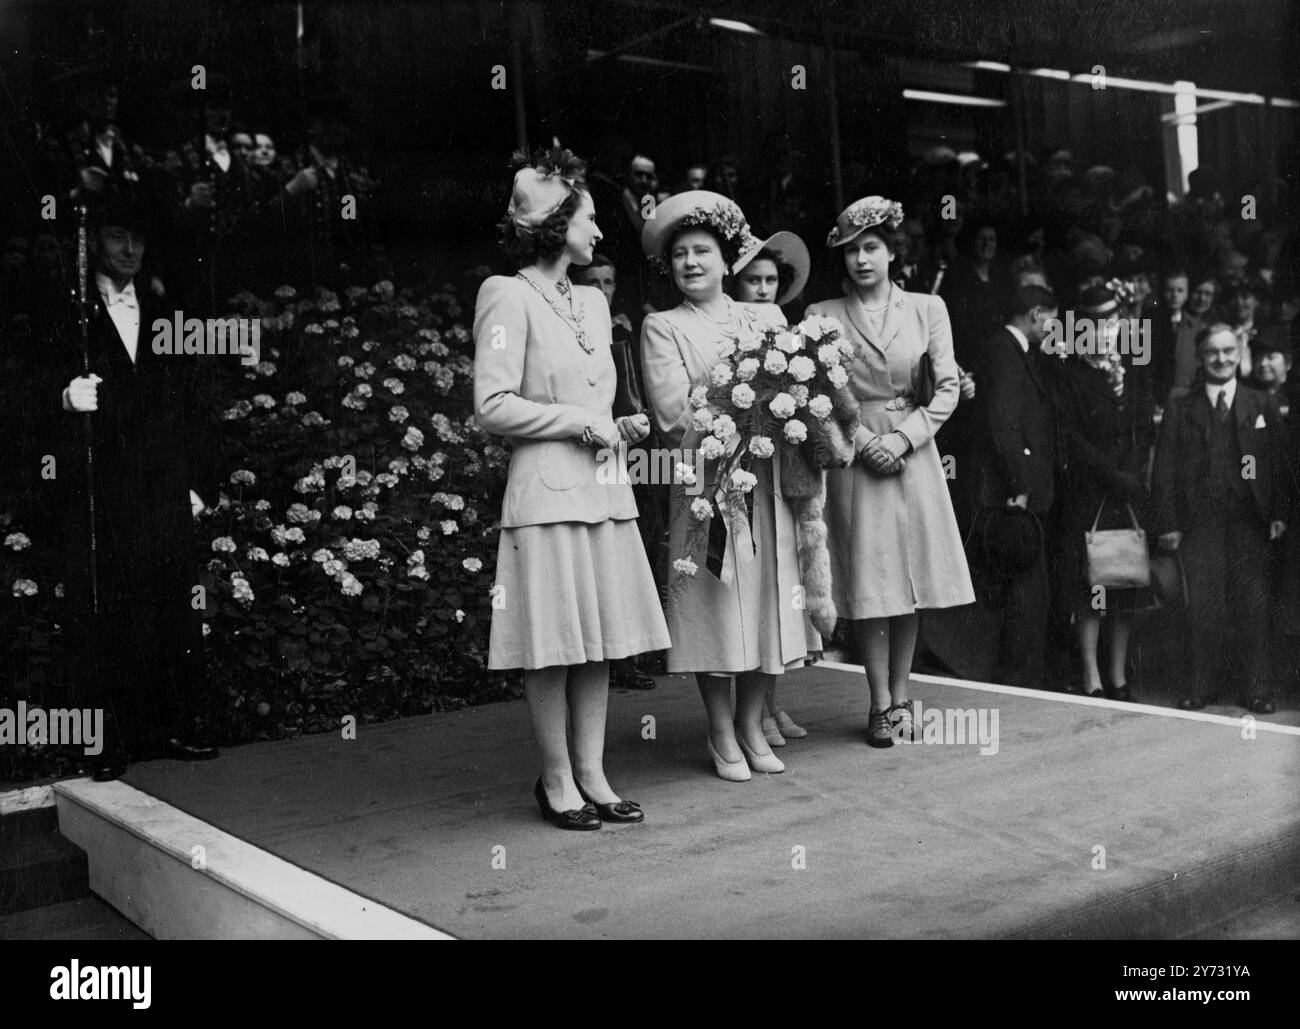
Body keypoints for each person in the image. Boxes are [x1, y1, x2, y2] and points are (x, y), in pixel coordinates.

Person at [473, 149, 670, 830]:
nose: (599, 232)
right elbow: (492, 404)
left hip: (605, 491)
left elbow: (594, 393)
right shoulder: (506, 293)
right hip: (548, 492)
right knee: (555, 639)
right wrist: (579, 422)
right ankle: (556, 778)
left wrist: (620, 424)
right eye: (589, 219)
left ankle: (592, 773)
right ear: (555, 224)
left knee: (600, 639)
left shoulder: (591, 296)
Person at [41, 187, 224, 779]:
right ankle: (105, 738)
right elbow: (23, 394)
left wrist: (200, 481)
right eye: (117, 237)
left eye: (137, 238)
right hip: (101, 485)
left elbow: (195, 398)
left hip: (164, 481)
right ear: (94, 242)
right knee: (106, 606)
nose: (128, 249)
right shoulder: (68, 312)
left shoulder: (166, 307)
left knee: (168, 600)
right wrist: (65, 399)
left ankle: (171, 725)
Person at [640, 191, 808, 780]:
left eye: (702, 251)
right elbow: (670, 417)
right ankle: (719, 729)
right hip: (707, 485)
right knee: (716, 603)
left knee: (764, 600)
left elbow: (797, 397)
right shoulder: (662, 327)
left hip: (764, 479)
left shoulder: (765, 317)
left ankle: (751, 722)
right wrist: (738, 415)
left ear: (725, 257)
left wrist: (784, 417)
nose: (690, 263)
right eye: (680, 254)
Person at [806, 196, 974, 746]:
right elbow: (821, 394)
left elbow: (947, 386)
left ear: (891, 252)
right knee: (869, 582)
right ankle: (878, 703)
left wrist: (903, 437)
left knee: (910, 581)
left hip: (913, 453)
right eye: (852, 251)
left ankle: (903, 697)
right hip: (856, 456)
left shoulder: (928, 308)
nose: (861, 260)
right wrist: (864, 441)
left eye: (872, 247)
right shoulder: (821, 316)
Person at [1152, 324, 1288, 713]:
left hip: (1250, 518)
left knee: (1253, 605)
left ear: (1239, 351)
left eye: (1229, 351)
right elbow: (1163, 469)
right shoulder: (1182, 406)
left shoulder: (1260, 403)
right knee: (1203, 606)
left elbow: (1277, 463)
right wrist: (1168, 523)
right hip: (1200, 521)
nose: (1222, 359)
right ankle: (1201, 686)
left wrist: (1278, 513)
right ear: (1200, 356)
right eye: (1213, 352)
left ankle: (1256, 689)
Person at [728, 232, 814, 748]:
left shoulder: (783, 322)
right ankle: (753, 715)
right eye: (753, 281)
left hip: (782, 453)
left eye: (770, 282)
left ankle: (771, 706)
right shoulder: (732, 319)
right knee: (756, 589)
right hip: (745, 452)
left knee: (781, 586)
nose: (762, 290)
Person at [1057, 286, 1156, 699]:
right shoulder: (1070, 372)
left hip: (1126, 490)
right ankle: (1091, 675)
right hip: (1090, 490)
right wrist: (1111, 476)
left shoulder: (1131, 367)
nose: (1104, 332)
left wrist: (1131, 474)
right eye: (1095, 325)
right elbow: (1070, 436)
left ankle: (1118, 676)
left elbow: (1144, 424)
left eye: (1111, 323)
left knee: (1124, 583)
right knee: (1093, 585)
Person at [971, 285, 1062, 689]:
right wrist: (1019, 484)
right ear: (1037, 312)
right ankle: (1019, 678)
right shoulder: (1002, 350)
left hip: (1020, 488)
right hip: (1012, 492)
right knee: (1022, 587)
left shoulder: (1017, 351)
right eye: (1052, 320)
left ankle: (1023, 675)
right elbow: (1003, 422)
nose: (1053, 330)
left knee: (1026, 587)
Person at [1153, 267, 1203, 405]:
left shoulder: (1196, 327)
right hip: (1158, 398)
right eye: (1170, 290)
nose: (1175, 295)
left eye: (1180, 290)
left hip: (1187, 398)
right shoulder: (1151, 323)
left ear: (1187, 293)